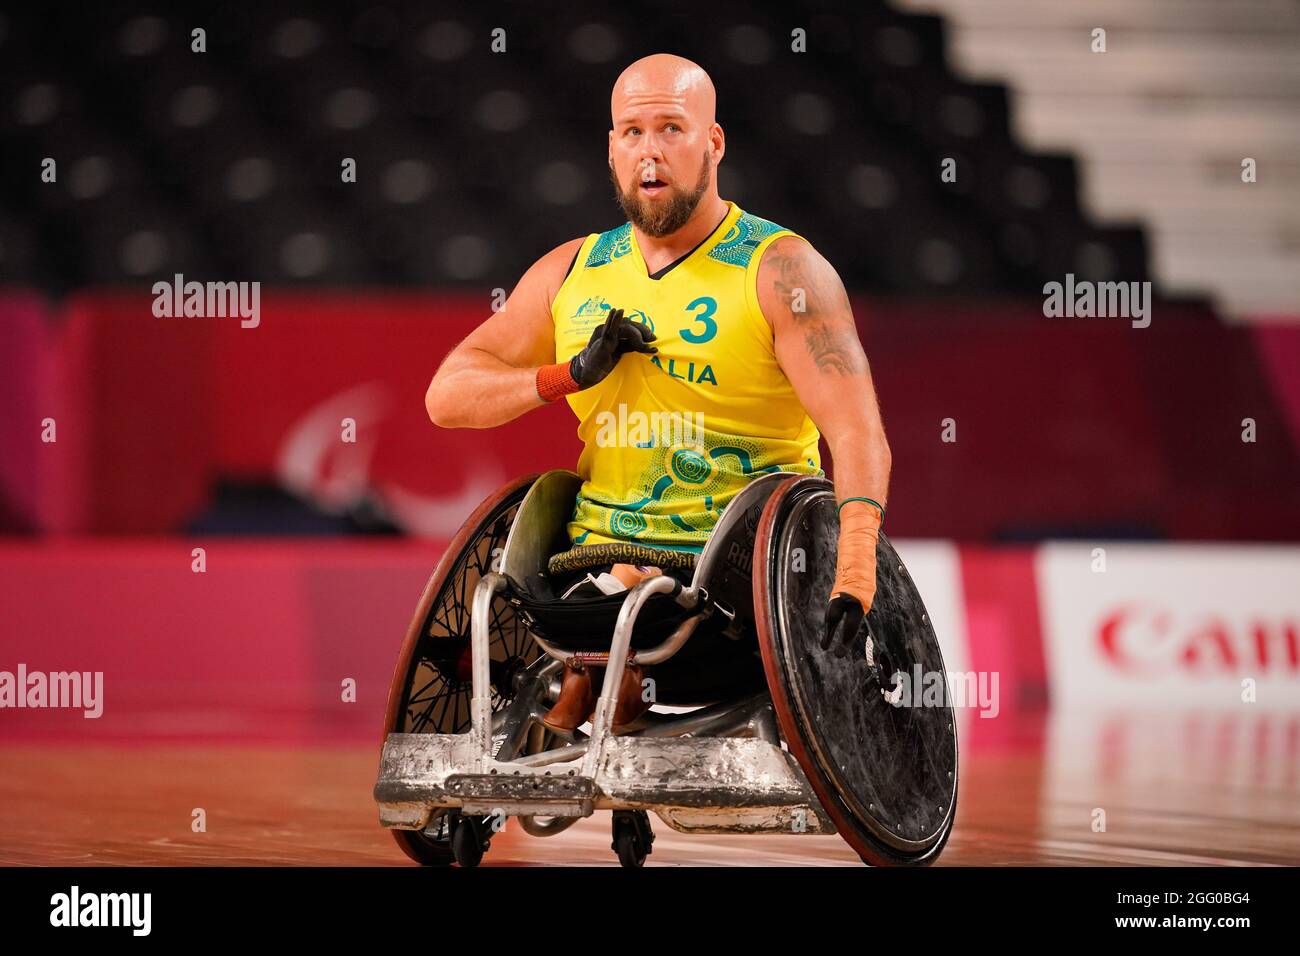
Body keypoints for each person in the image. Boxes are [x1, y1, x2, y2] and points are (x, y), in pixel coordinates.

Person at [425, 54, 891, 732]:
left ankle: (604, 682)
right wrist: (570, 375)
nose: (650, 151)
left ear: (713, 141)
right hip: (590, 561)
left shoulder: (782, 269)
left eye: (671, 128)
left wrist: (854, 571)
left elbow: (856, 432)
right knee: (585, 591)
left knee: (644, 596)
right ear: (611, 149)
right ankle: (604, 674)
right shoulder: (573, 270)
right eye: (632, 132)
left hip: (738, 575)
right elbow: (447, 397)